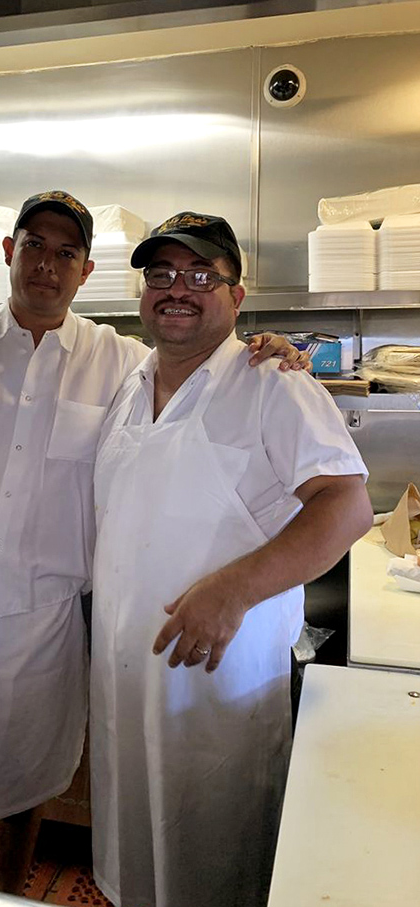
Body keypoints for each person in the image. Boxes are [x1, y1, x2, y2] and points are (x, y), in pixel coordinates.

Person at [0, 191, 307, 893]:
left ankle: (9, 894)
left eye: (66, 251)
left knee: (23, 790)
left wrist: (273, 350)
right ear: (10, 253)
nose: (48, 262)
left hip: (39, 617)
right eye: (35, 245)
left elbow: (204, 362)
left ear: (86, 270)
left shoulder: (118, 360)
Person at [89, 211, 373, 907]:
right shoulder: (130, 383)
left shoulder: (272, 382)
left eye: (200, 275)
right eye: (161, 274)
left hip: (216, 688)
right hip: (128, 687)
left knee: (214, 866)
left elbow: (347, 505)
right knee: (136, 871)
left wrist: (236, 588)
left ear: (236, 296)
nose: (177, 288)